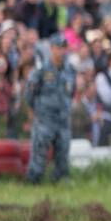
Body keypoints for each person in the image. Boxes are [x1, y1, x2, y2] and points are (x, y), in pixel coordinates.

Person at [24, 33, 76, 184]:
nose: (61, 51)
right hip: (45, 119)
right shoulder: (42, 69)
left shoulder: (70, 70)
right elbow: (30, 92)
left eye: (63, 48)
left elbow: (71, 92)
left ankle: (60, 180)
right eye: (58, 47)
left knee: (63, 152)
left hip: (63, 120)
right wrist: (33, 112)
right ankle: (33, 182)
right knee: (39, 154)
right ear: (52, 48)